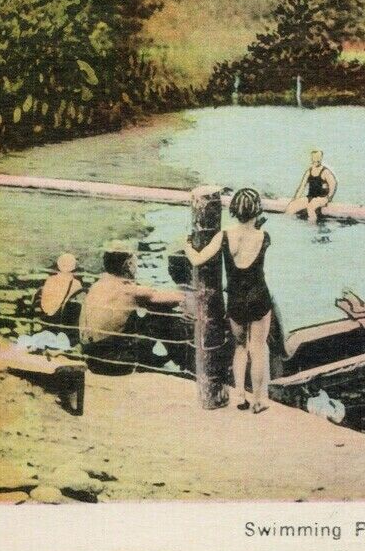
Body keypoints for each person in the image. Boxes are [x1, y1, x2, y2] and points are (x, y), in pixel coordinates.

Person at [185, 188, 275, 413]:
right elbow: (254, 238)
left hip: (236, 299)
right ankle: (258, 401)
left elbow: (197, 259)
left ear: (233, 210)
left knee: (240, 348)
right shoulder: (264, 236)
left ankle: (241, 397)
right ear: (257, 211)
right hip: (259, 297)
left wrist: (187, 245)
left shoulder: (224, 236)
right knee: (258, 349)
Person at [79, 247, 185, 374]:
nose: (137, 266)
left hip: (90, 357)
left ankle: (153, 359)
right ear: (129, 264)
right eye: (136, 262)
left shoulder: (97, 285)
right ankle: (182, 363)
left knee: (137, 315)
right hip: (114, 361)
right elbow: (174, 299)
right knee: (161, 314)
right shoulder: (128, 290)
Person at [285, 150, 337, 223]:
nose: (316, 159)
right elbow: (302, 187)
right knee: (291, 207)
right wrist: (295, 199)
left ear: (321, 158)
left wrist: (328, 197)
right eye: (314, 157)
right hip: (310, 197)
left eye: (318, 157)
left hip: (322, 198)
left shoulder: (325, 172)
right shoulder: (309, 171)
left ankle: (312, 227)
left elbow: (333, 184)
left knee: (310, 208)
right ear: (312, 158)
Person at [38, 253, 84, 320]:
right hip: (65, 317)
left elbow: (44, 300)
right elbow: (81, 303)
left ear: (58, 266)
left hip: (49, 314)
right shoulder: (76, 283)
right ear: (73, 267)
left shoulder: (50, 280)